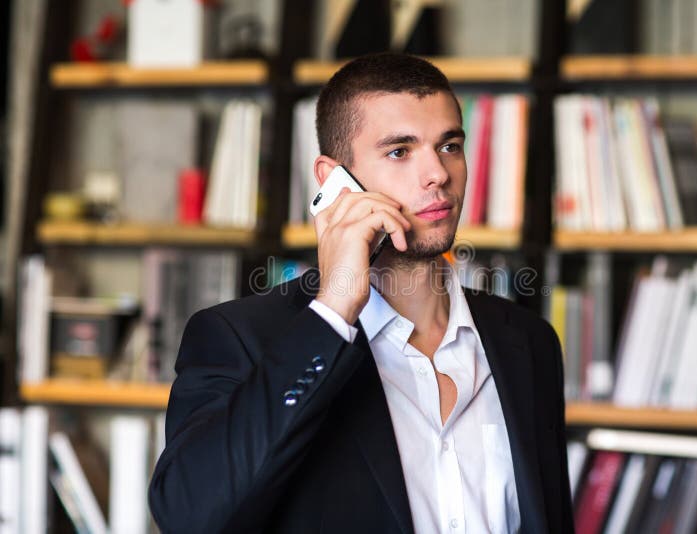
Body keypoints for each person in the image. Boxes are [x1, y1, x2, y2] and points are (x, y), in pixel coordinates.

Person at [149, 53, 574, 534]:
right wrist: (332, 311)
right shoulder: (240, 336)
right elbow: (189, 516)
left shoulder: (529, 341)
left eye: (450, 145)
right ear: (334, 181)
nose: (437, 173)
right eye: (400, 151)